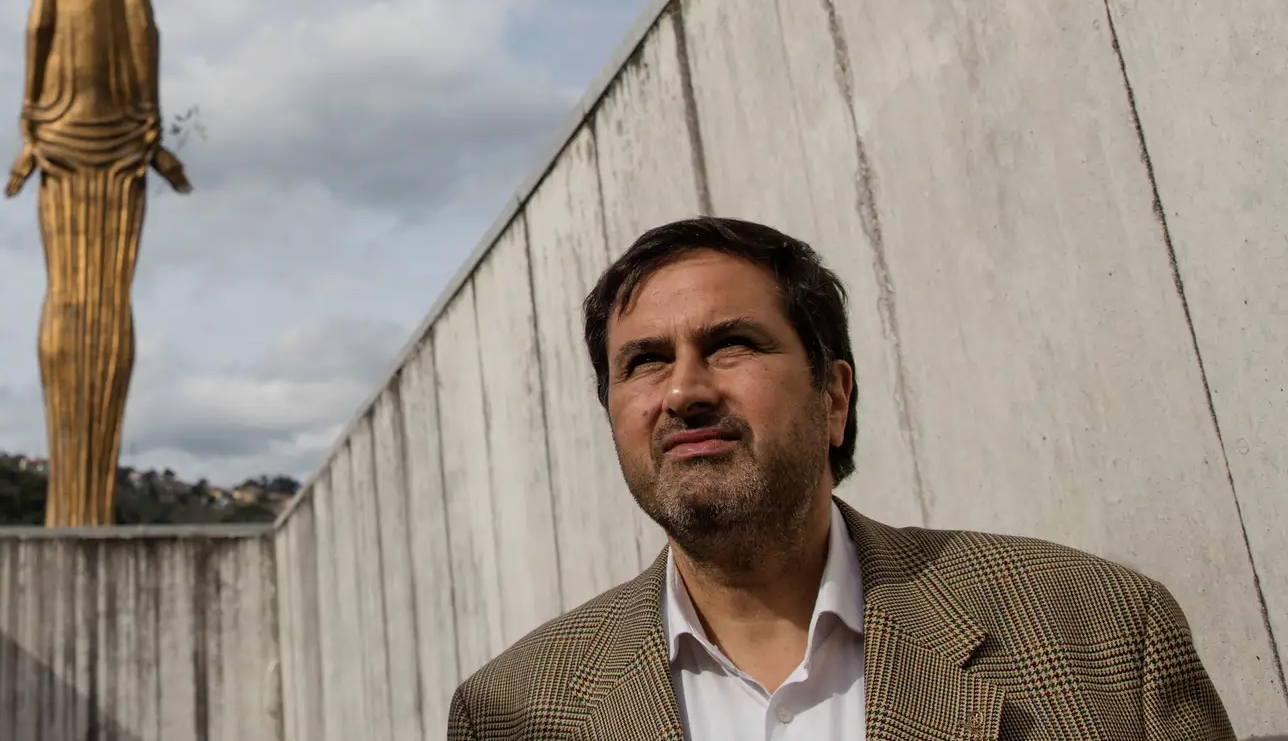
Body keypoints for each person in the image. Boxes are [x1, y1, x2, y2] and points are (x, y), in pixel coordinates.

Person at [447, 217, 1235, 740]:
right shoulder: (511, 712)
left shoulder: (1098, 629)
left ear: (833, 397)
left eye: (730, 345)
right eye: (645, 361)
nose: (684, 390)